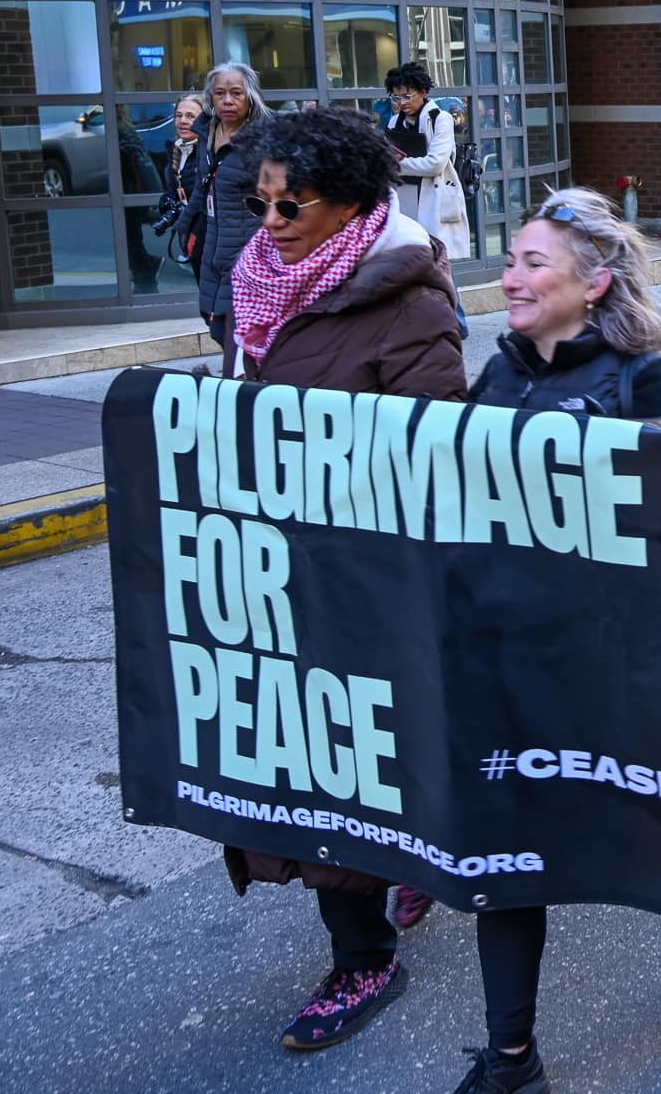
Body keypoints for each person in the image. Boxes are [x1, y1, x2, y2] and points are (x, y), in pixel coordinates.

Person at [450, 188, 661, 1094]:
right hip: (514, 665)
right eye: (510, 259)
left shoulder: (645, 382)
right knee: (501, 855)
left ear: (594, 284)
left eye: (532, 263)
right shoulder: (498, 375)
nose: (510, 276)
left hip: (627, 669)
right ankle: (512, 1056)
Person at [222, 106, 467, 1050]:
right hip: (280, 568)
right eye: (261, 202)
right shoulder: (259, 289)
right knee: (297, 756)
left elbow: (432, 449)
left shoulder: (409, 303)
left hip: (363, 578)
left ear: (356, 205)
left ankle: (364, 959)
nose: (271, 223)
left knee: (345, 764)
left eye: (293, 205)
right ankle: (405, 873)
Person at [171, 62, 269, 346]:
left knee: (236, 322)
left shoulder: (263, 137)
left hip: (248, 245)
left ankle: (247, 378)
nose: (228, 100)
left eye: (236, 93)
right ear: (210, 97)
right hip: (211, 241)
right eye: (220, 93)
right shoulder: (207, 132)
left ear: (250, 95)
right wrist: (184, 225)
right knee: (211, 317)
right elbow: (203, 186)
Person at [385, 61, 474, 264]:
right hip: (404, 199)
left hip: (433, 198)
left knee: (438, 269)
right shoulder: (394, 121)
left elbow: (435, 164)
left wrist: (397, 164)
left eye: (408, 96)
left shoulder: (440, 119)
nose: (402, 102)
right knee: (407, 265)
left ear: (423, 92)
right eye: (397, 97)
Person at [150, 92, 206, 278]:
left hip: (209, 239)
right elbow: (173, 194)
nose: (183, 121)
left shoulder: (209, 155)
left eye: (191, 116)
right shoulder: (177, 151)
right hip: (189, 236)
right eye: (179, 115)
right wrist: (168, 205)